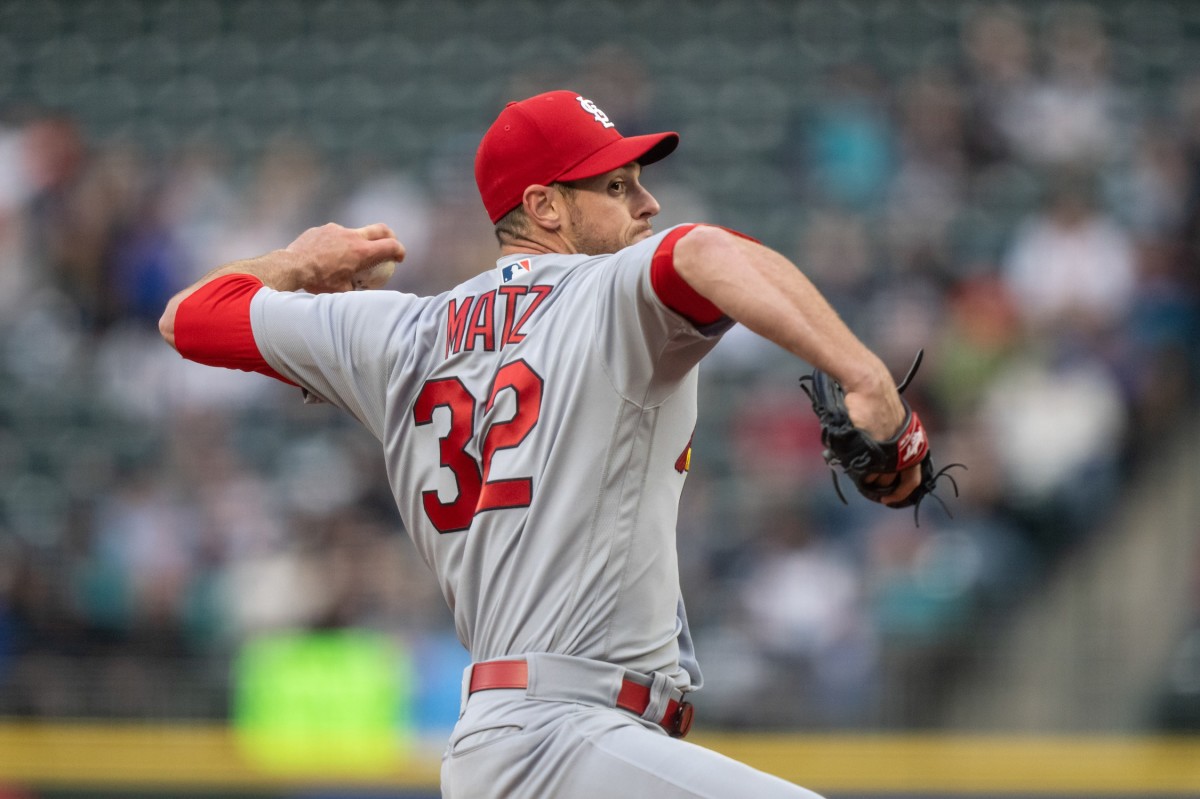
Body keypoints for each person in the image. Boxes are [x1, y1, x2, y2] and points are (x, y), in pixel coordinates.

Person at [159, 90, 922, 799]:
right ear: (544, 206)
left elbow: (188, 317)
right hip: (565, 736)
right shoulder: (608, 292)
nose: (648, 201)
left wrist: (293, 264)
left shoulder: (393, 331)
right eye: (617, 186)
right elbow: (705, 253)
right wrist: (866, 377)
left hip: (524, 739)